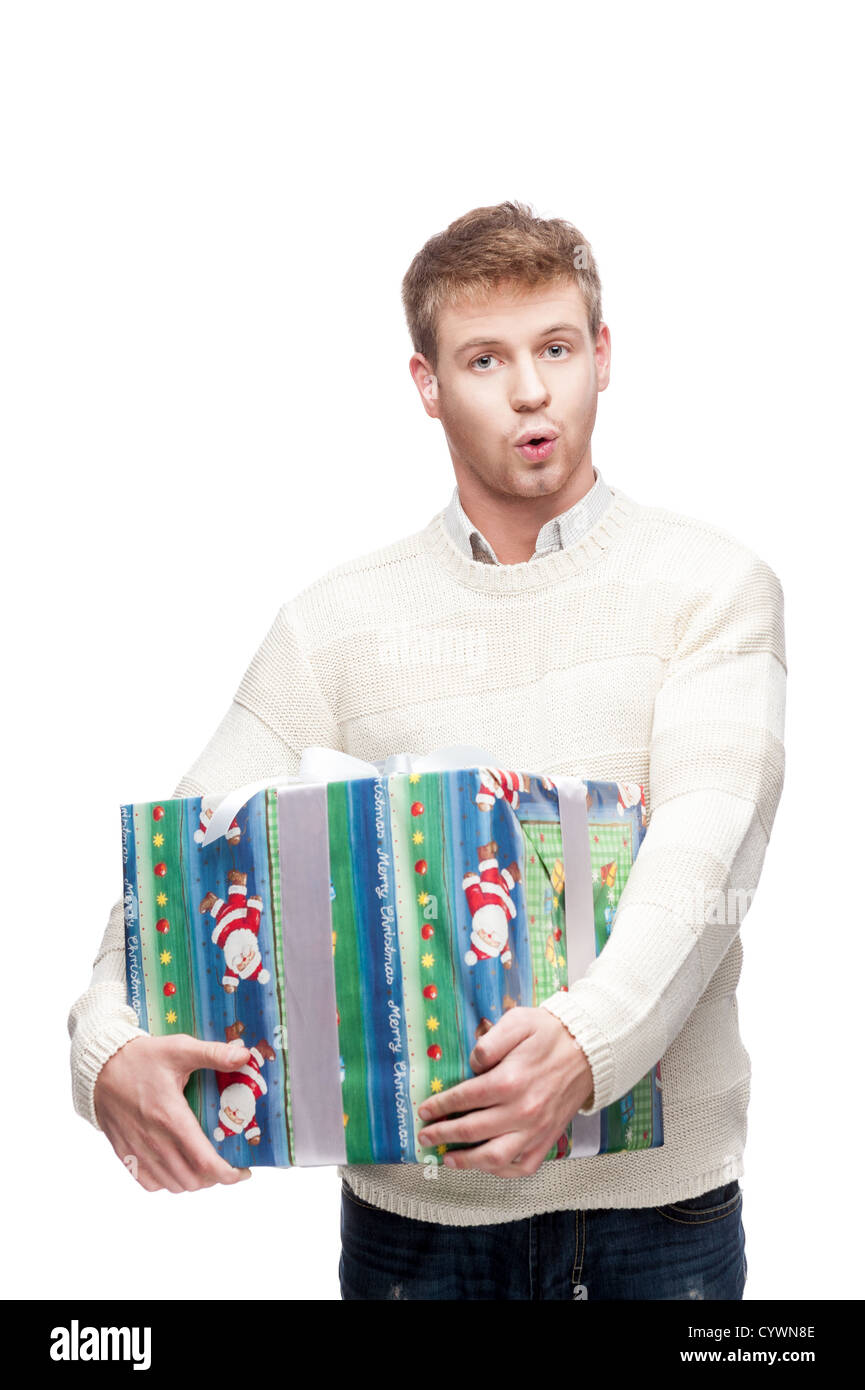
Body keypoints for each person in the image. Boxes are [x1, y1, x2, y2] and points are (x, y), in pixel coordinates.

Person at [68, 200, 786, 1300]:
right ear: (426, 384)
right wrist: (105, 1039)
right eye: (485, 358)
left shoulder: (711, 586)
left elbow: (707, 847)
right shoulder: (335, 625)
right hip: (415, 1236)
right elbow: (183, 854)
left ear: (603, 357)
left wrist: (585, 1047)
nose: (531, 389)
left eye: (556, 348)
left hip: (656, 1223)